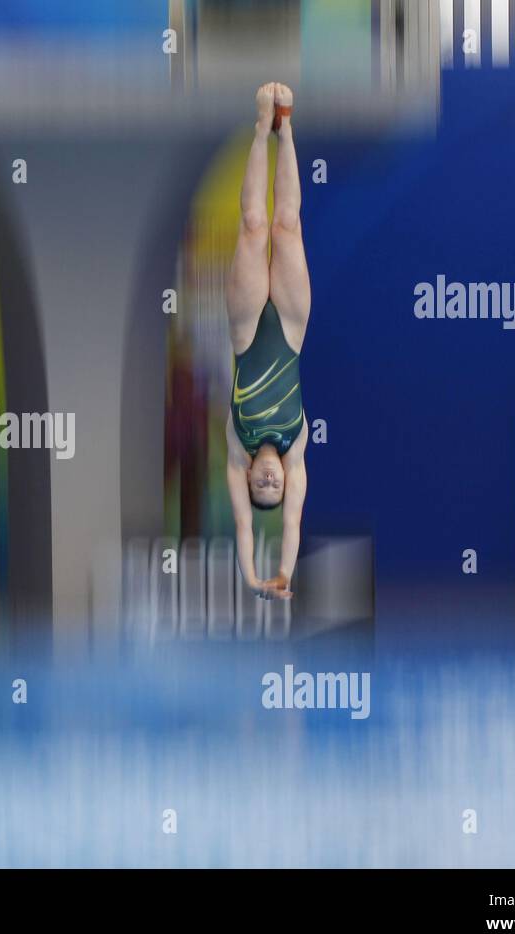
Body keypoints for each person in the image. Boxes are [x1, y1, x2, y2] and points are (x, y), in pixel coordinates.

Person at [225, 83, 308, 602]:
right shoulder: (297, 448)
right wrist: (284, 575)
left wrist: (251, 578)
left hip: (246, 329)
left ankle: (262, 128)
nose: (270, 484)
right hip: (293, 332)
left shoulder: (238, 447)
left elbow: (244, 528)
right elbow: (292, 527)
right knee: (288, 226)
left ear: (251, 473)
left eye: (261, 486)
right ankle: (288, 127)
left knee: (255, 227)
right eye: (273, 489)